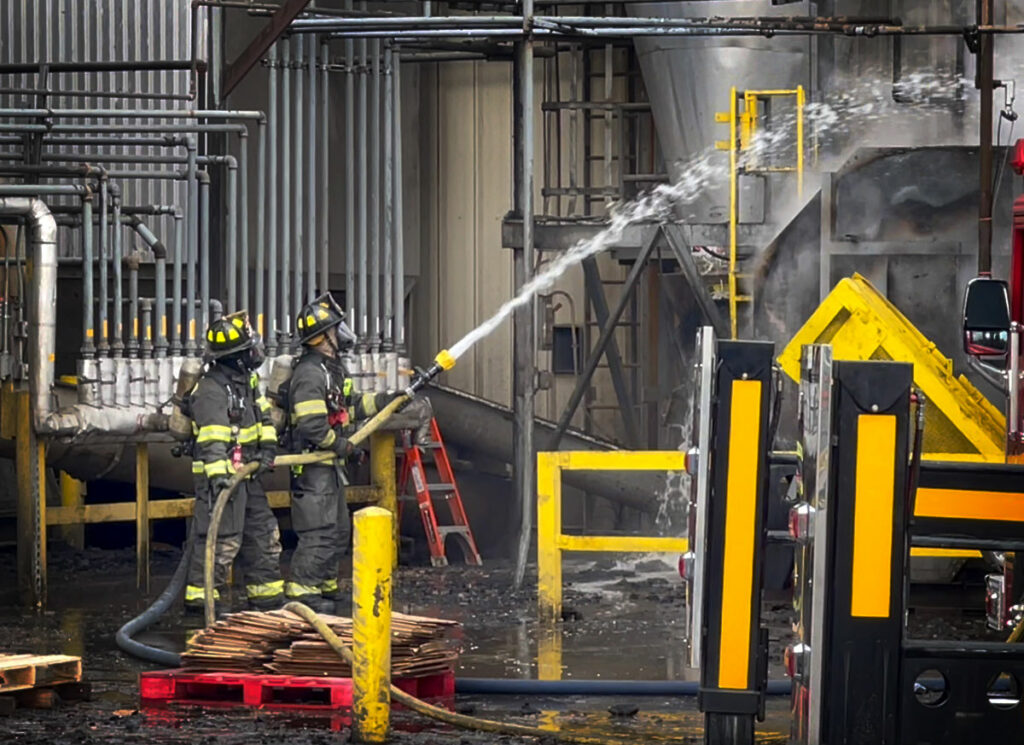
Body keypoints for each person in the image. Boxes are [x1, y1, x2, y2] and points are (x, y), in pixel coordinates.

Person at [285, 293, 399, 612]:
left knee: (337, 530)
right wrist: (343, 445)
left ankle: (323, 586)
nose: (342, 334)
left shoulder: (332, 370)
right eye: (335, 330)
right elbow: (311, 426)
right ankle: (303, 593)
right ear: (322, 337)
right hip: (312, 467)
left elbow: (353, 405)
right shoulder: (309, 373)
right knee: (318, 532)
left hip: (329, 467)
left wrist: (391, 399)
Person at [184, 312, 283, 613]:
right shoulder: (212, 390)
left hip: (247, 475)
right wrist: (218, 478)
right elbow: (212, 440)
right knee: (221, 542)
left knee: (264, 535)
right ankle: (201, 606)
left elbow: (263, 418)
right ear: (238, 355)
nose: (256, 352)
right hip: (223, 480)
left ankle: (266, 600)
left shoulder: (246, 382)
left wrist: (267, 447)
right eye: (250, 348)